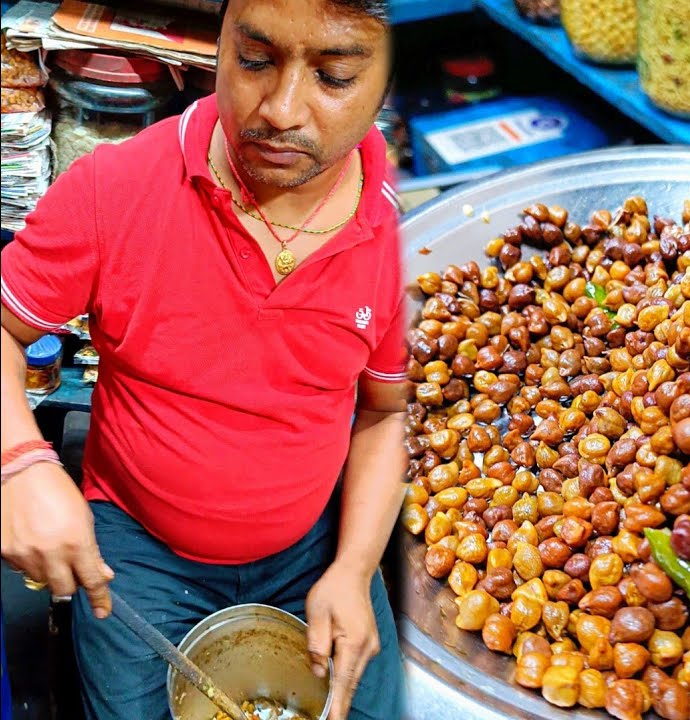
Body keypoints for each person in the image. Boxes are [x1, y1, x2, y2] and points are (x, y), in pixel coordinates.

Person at [0, 1, 407, 718]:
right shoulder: (115, 190)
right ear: (214, 47)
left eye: (335, 76)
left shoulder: (398, 237)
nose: (281, 110)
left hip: (314, 543)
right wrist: (18, 462)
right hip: (137, 544)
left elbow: (383, 414)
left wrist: (354, 567)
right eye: (254, 61)